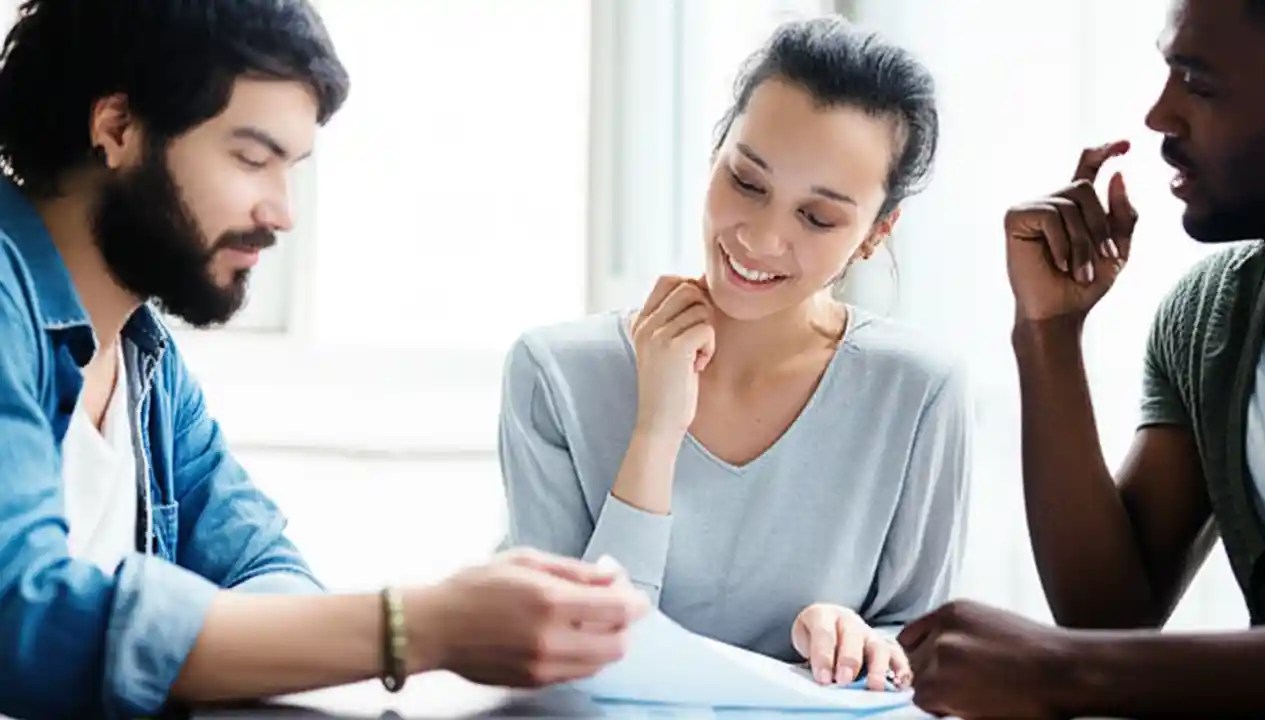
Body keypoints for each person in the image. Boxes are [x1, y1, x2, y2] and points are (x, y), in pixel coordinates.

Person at [0, 2, 646, 718]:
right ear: (118, 128)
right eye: (251, 159)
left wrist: (433, 625)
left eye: (290, 168)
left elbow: (259, 565)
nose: (282, 211)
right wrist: (423, 626)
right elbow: (26, 618)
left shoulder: (146, 361)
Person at [499, 16, 970, 692]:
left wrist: (855, 637)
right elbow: (573, 654)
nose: (762, 238)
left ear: (874, 235)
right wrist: (656, 431)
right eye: (747, 182)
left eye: (818, 217)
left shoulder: (919, 392)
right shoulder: (555, 373)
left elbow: (917, 649)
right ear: (718, 151)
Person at [901, 0, 1265, 717]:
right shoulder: (1210, 319)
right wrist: (1047, 331)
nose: (1160, 118)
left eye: (1198, 84)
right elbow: (1110, 620)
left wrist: (1061, 671)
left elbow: (1090, 657)